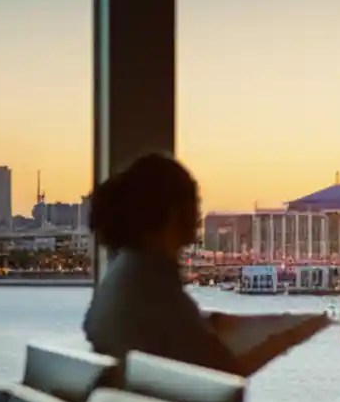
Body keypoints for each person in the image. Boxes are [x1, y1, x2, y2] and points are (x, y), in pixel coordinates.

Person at [83, 154, 326, 377]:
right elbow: (218, 376)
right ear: (174, 213)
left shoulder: (128, 276)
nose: (199, 217)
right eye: (195, 204)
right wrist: (291, 336)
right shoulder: (151, 287)